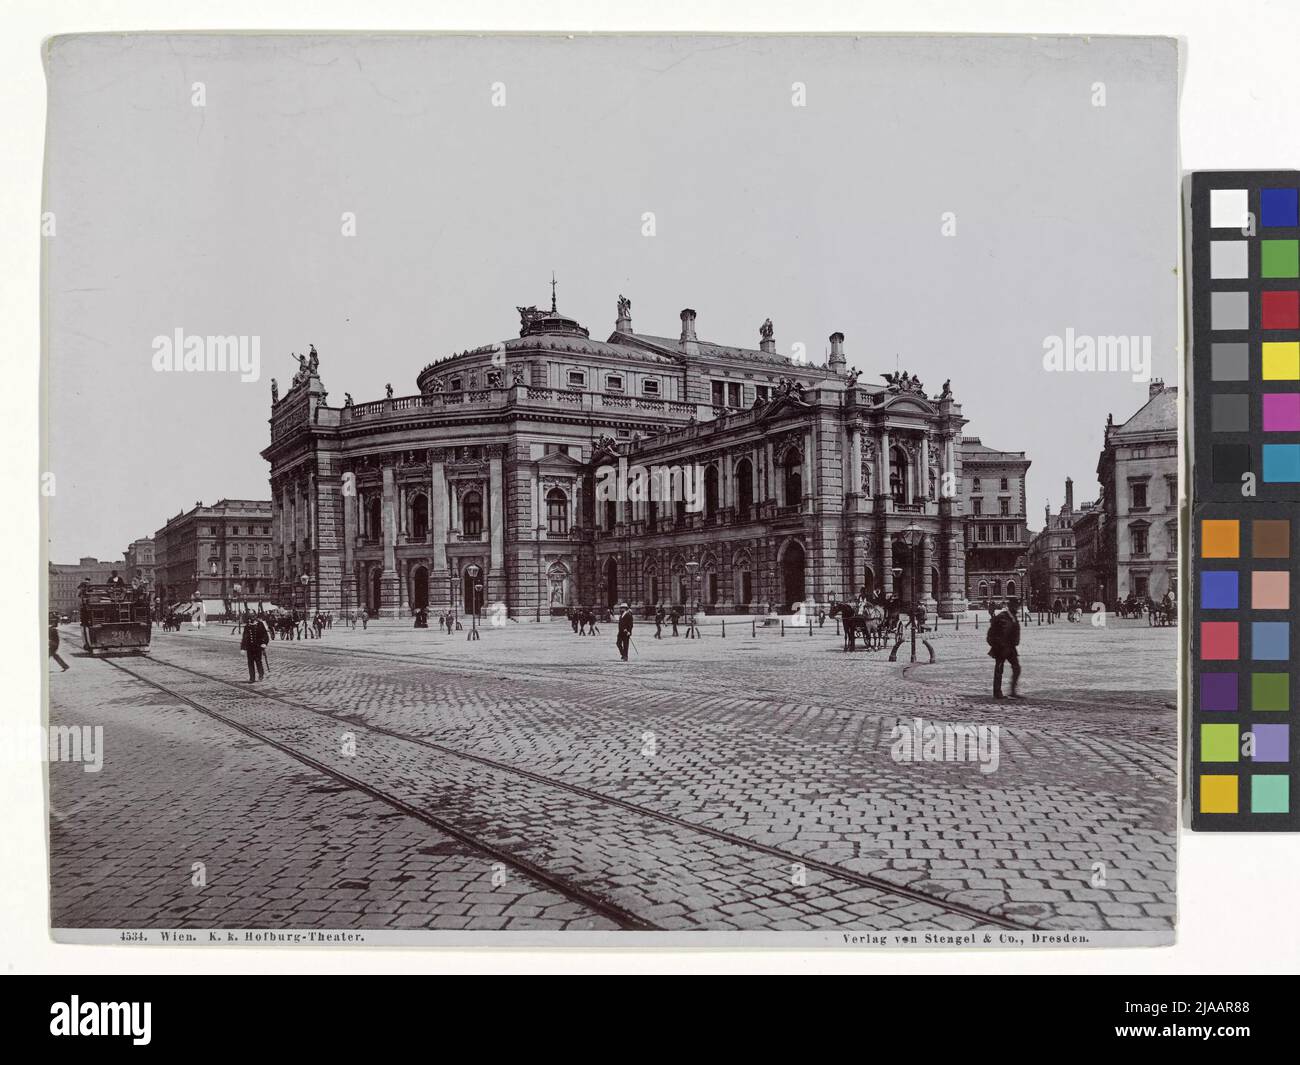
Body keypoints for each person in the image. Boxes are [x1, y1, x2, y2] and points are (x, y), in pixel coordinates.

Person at [987, 597, 1022, 699]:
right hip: (1001, 649)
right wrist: (997, 645)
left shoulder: (1013, 617)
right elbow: (991, 633)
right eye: (1015, 606)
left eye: (1017, 606)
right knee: (999, 670)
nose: (1017, 608)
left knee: (1017, 668)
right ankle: (997, 692)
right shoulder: (1002, 617)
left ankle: (1012, 691)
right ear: (1010, 606)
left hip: (1011, 648)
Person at [240, 615, 267, 682]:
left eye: (253, 617)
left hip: (258, 647)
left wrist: (264, 643)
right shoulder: (247, 626)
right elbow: (244, 638)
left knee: (258, 661)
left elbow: (265, 635)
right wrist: (243, 648)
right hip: (250, 647)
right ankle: (252, 678)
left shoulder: (260, 624)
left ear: (255, 618)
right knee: (250, 662)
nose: (251, 619)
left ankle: (261, 674)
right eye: (250, 618)